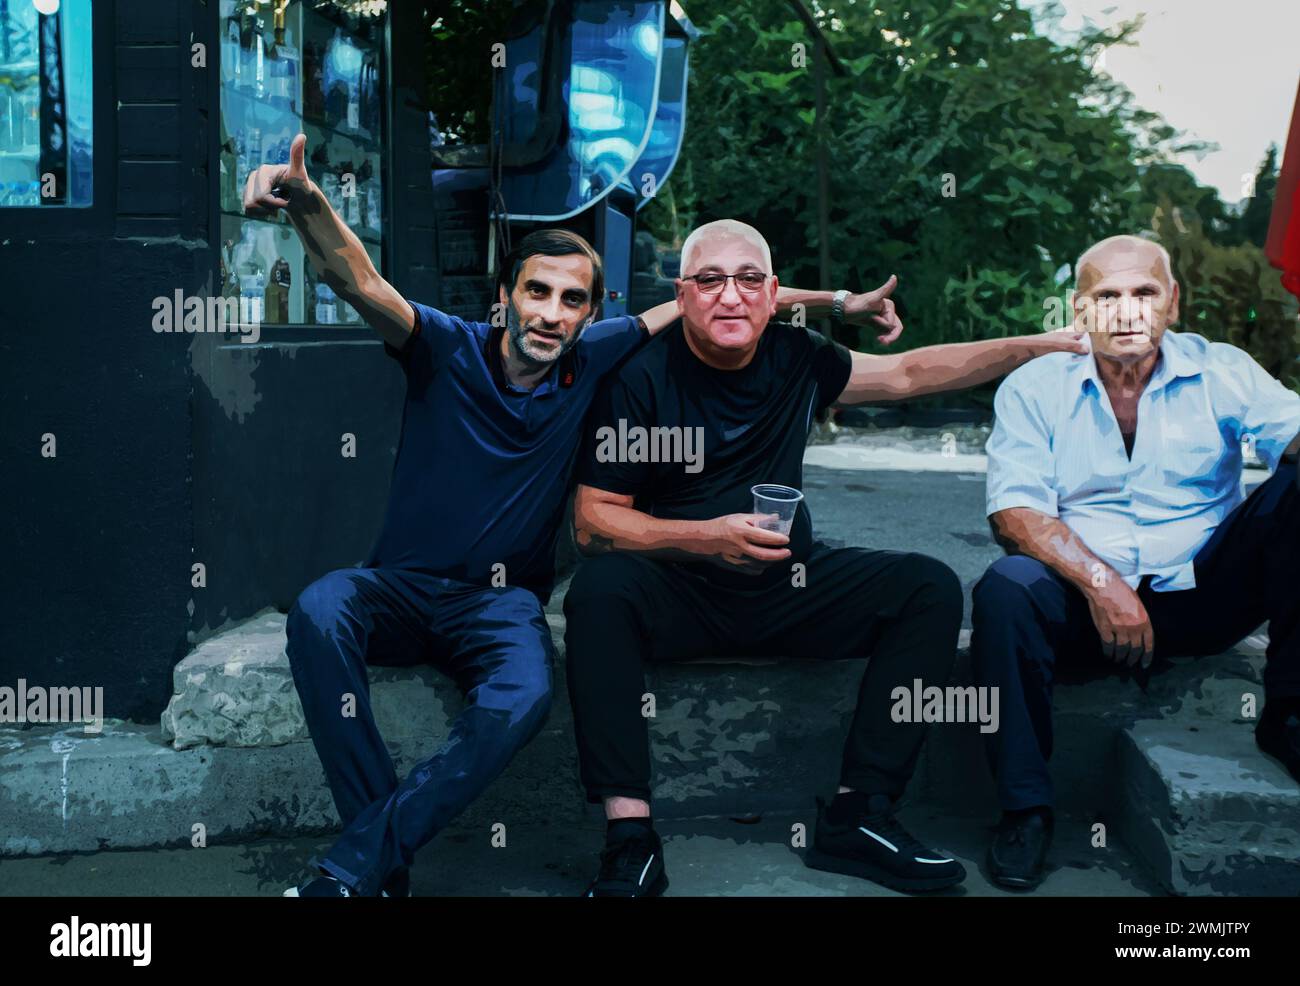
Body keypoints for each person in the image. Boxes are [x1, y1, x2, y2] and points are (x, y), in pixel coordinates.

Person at [242, 136, 903, 897]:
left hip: (500, 606)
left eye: (572, 299)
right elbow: (352, 275)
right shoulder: (443, 348)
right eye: (537, 291)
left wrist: (840, 305)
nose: (551, 314)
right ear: (505, 297)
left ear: (591, 314)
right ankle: (372, 865)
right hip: (399, 586)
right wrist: (309, 205)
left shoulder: (593, 359)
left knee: (522, 696)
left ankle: (360, 867)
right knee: (321, 609)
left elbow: (721, 294)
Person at [565, 219, 1088, 896]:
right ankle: (629, 838)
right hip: (676, 594)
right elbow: (592, 521)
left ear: (774, 293)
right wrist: (706, 536)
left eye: (750, 280)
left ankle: (859, 815)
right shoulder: (640, 377)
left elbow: (907, 372)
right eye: (711, 280)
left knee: (926, 587)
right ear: (683, 293)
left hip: (786, 589)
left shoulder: (799, 357)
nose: (732, 296)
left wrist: (1035, 345)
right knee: (598, 591)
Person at [971, 234, 1300, 891]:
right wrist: (1103, 584)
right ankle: (1025, 810)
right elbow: (1014, 514)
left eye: (1144, 293)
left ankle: (1289, 720)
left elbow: (1290, 432)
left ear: (1172, 303)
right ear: (1079, 309)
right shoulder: (1036, 387)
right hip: (1084, 606)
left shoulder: (1222, 369)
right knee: (1006, 586)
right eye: (1106, 296)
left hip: (1203, 595)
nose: (1127, 312)